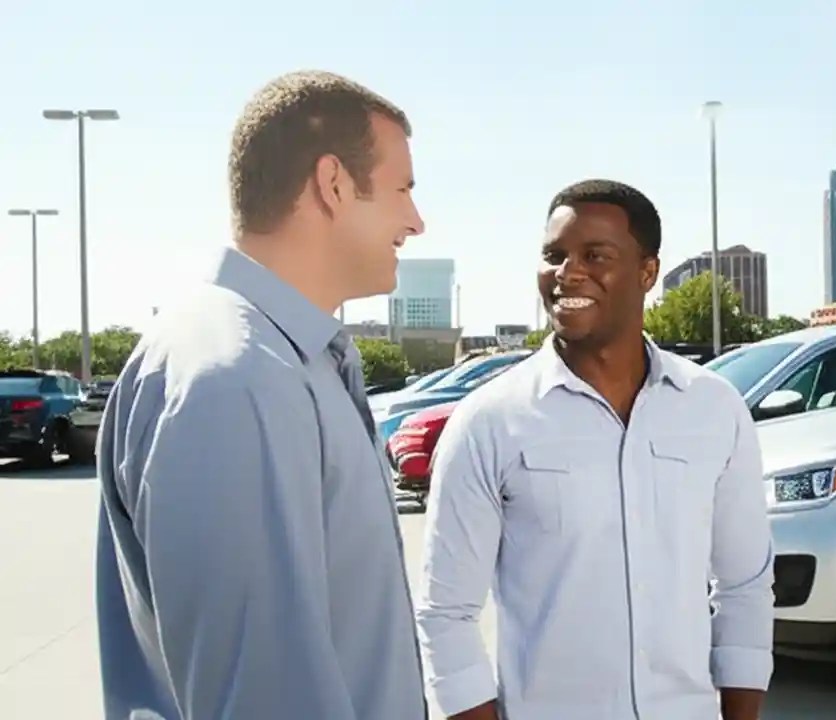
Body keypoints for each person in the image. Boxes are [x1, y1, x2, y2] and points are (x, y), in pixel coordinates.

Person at [95, 70, 428, 719]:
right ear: (334, 184)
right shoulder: (236, 377)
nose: (416, 220)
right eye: (402, 189)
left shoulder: (289, 361)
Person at [416, 179, 775, 719]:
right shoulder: (489, 422)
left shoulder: (715, 409)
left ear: (647, 272)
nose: (568, 273)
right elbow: (445, 614)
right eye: (554, 256)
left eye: (595, 255)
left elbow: (744, 586)